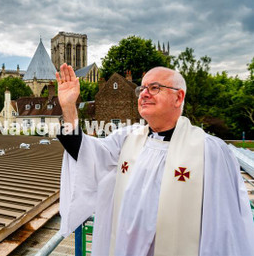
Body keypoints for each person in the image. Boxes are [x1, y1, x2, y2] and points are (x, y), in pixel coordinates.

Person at [55, 63, 254, 256]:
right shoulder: (126, 139)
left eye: (154, 87)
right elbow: (85, 154)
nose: (144, 93)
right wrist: (69, 107)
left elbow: (226, 226)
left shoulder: (210, 150)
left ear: (178, 97)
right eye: (141, 89)